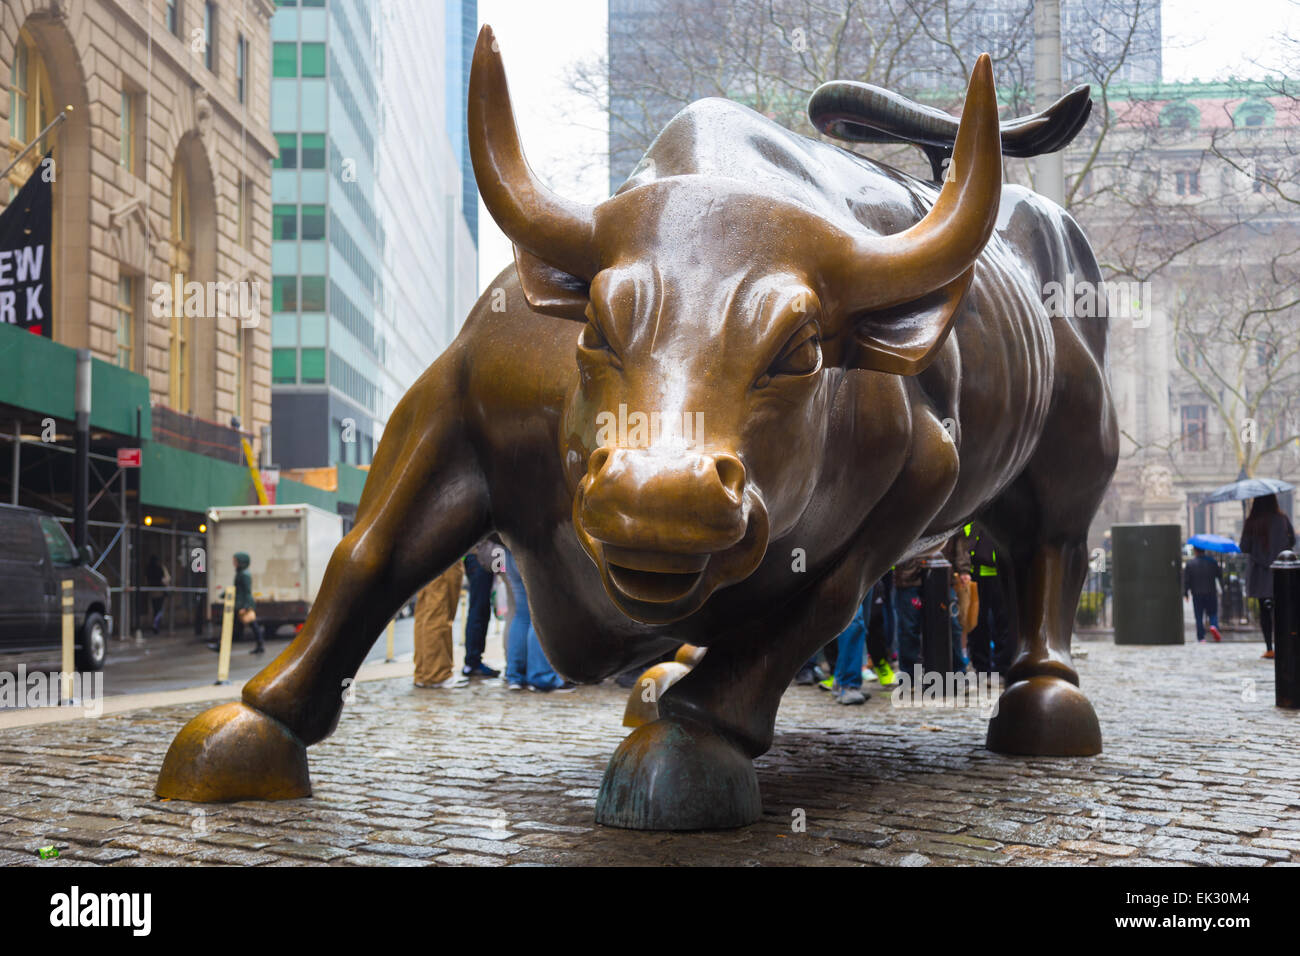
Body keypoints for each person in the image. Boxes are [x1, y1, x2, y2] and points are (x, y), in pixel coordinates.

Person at [501, 549, 574, 693]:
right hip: (535, 551)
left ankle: (515, 676)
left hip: (510, 552)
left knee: (522, 615)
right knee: (541, 613)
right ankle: (541, 677)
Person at [1239, 494, 1296, 659]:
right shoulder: (1282, 519)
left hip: (1259, 573)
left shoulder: (1252, 521)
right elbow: (1292, 541)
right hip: (1281, 572)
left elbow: (1244, 547)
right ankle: (1282, 645)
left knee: (1265, 612)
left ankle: (1269, 647)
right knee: (1282, 611)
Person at [965, 523, 1013, 678]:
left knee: (1003, 622)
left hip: (1000, 574)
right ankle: (982, 666)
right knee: (978, 623)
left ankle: (1002, 666)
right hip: (976, 574)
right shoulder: (975, 517)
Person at [413, 562, 469, 688]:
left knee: (424, 613)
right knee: (439, 614)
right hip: (444, 558)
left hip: (424, 556)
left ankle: (423, 673)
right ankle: (437, 674)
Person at [460, 539, 500, 679]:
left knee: (480, 610)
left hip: (480, 556)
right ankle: (473, 661)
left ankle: (473, 660)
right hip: (482, 556)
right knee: (479, 610)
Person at [1183, 546, 1223, 643]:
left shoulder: (1190, 564)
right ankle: (1213, 626)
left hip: (1197, 593)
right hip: (1211, 592)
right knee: (1212, 613)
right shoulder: (1212, 562)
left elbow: (1186, 581)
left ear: (1195, 551)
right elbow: (1219, 575)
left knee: (1198, 616)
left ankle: (1201, 638)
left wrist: (1186, 593)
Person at [145, 555, 169, 634]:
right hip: (159, 590)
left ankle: (155, 624)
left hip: (152, 591)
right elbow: (165, 579)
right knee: (159, 610)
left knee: (156, 609)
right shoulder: (159, 568)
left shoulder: (149, 568)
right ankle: (155, 624)